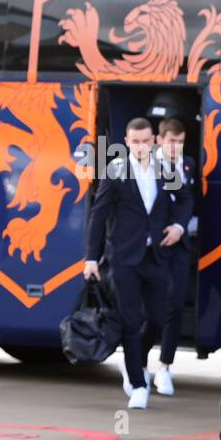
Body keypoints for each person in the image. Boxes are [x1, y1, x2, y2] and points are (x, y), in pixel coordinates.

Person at [83, 117, 191, 410]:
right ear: (127, 142)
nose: (141, 147)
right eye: (136, 142)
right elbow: (99, 215)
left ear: (153, 140)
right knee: (131, 321)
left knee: (157, 319)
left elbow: (185, 199)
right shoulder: (115, 171)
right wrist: (91, 257)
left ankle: (136, 362)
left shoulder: (163, 168)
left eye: (146, 141)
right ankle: (138, 384)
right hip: (124, 259)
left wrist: (179, 226)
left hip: (155, 256)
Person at [152, 118, 196, 397]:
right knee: (149, 309)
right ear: (159, 140)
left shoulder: (188, 164)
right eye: (171, 141)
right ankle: (137, 366)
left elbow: (191, 200)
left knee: (175, 306)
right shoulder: (145, 164)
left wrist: (181, 228)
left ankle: (164, 366)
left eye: (180, 142)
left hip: (179, 246)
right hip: (150, 247)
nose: (175, 147)